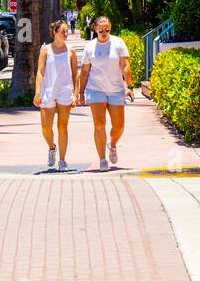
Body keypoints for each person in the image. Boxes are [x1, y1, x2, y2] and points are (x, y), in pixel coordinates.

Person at [78, 14, 133, 171]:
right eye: (101, 29)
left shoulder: (118, 42)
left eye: (107, 30)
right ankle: (102, 159)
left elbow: (125, 65)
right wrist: (81, 92)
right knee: (99, 125)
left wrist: (129, 85)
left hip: (116, 90)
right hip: (96, 90)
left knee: (119, 126)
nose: (104, 32)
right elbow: (85, 71)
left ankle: (112, 144)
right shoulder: (90, 47)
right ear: (95, 29)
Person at [33, 19, 78, 171]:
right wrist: (38, 92)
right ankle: (52, 147)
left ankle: (63, 161)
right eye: (63, 31)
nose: (66, 33)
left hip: (65, 90)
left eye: (67, 31)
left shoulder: (71, 51)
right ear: (54, 33)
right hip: (48, 90)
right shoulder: (45, 50)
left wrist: (76, 93)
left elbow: (75, 74)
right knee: (46, 127)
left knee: (62, 126)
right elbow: (40, 71)